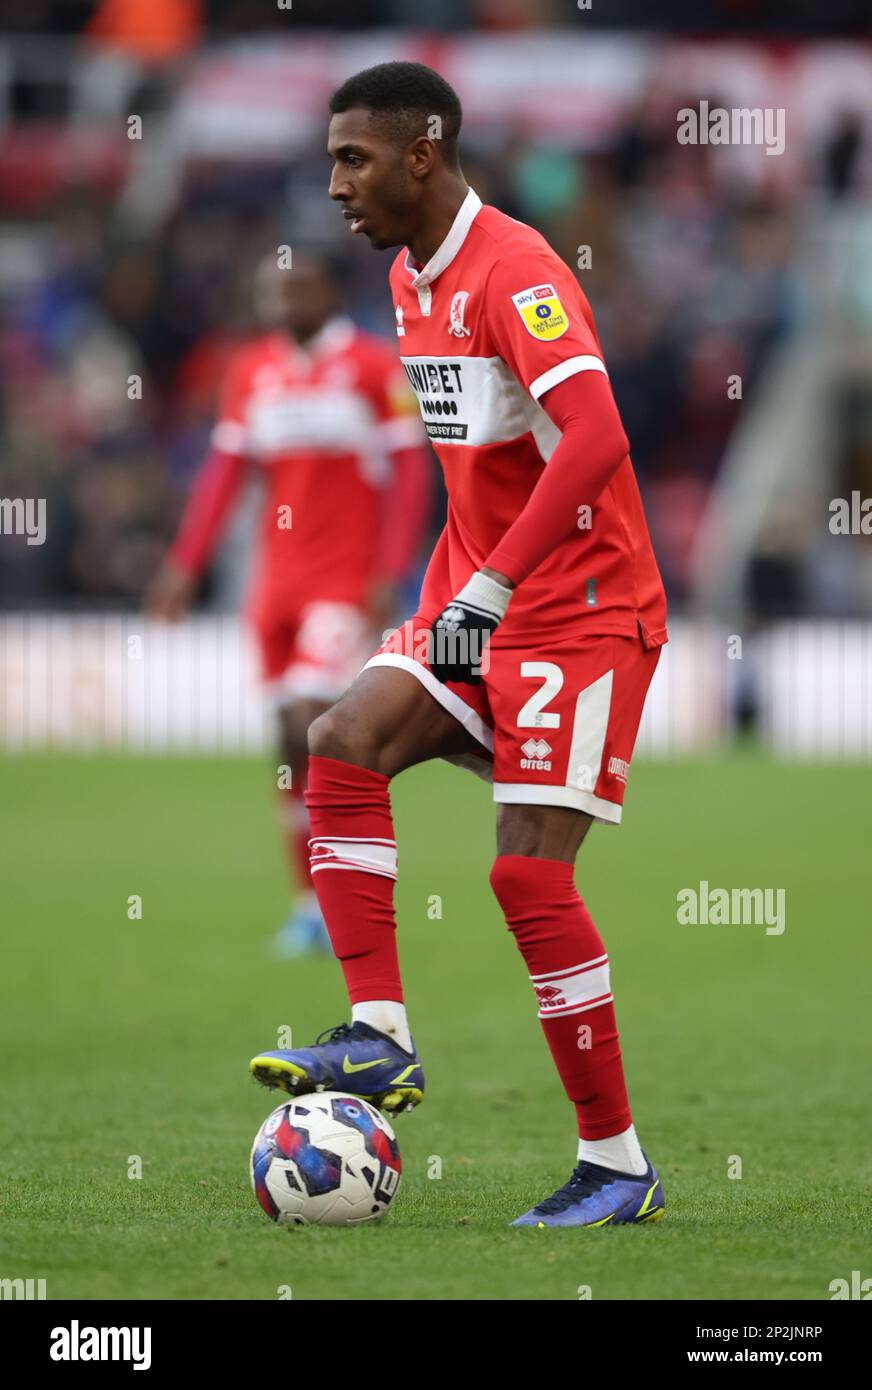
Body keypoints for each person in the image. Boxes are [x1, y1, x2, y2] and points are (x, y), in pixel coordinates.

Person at [249, 63, 669, 1229]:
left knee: (524, 875)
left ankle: (615, 1163)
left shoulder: (517, 272)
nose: (335, 184)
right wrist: (462, 587)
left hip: (579, 610)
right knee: (340, 740)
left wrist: (487, 584)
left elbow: (595, 437)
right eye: (332, 160)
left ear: (420, 154)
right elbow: (481, 459)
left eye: (353, 159)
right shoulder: (405, 278)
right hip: (475, 602)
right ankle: (377, 1034)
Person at [145, 248, 430, 955]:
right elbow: (223, 475)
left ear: (329, 291)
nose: (283, 302)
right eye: (272, 291)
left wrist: (390, 569)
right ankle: (310, 904)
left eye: (297, 288)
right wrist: (184, 565)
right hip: (273, 585)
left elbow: (410, 471)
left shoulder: (373, 367)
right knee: (283, 740)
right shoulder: (251, 372)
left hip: (343, 580)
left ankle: (350, 888)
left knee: (311, 721)